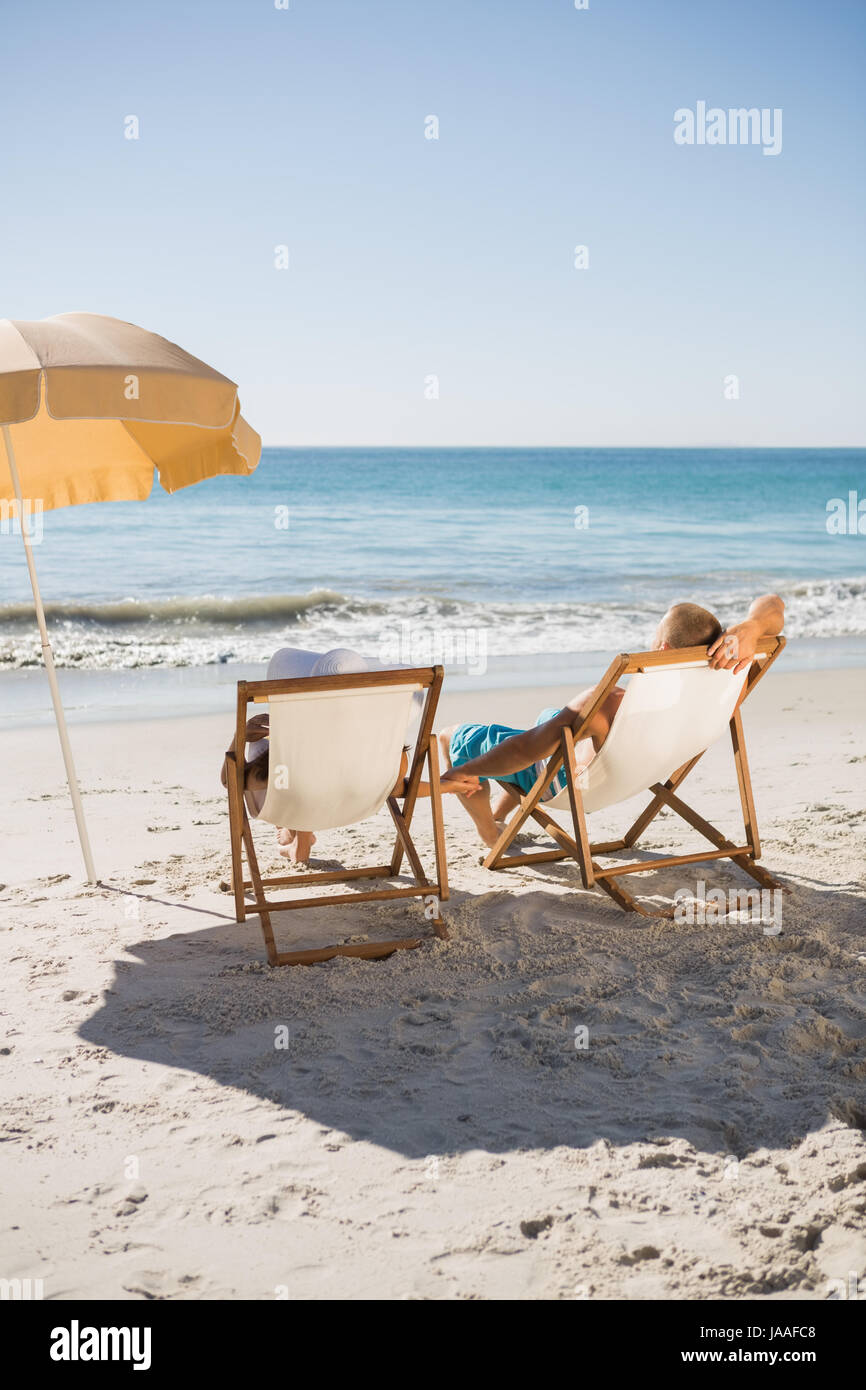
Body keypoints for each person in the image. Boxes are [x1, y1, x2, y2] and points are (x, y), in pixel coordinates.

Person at [438, 594, 785, 849]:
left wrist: (460, 771)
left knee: (455, 738)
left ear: (662, 649)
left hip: (566, 782)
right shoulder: (728, 685)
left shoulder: (607, 704)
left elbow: (526, 750)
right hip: (644, 773)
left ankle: (490, 833)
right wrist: (751, 627)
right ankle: (501, 815)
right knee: (549, 721)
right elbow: (774, 605)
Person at [220, 645, 476, 863]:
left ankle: (295, 829)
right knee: (307, 770)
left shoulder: (284, 754)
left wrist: (239, 735)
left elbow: (230, 781)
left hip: (299, 800)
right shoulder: (385, 747)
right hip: (357, 804)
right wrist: (445, 785)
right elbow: (397, 790)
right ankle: (298, 837)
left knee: (281, 761)